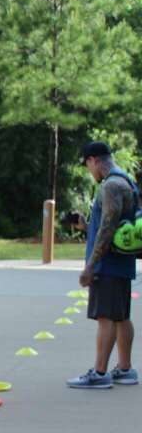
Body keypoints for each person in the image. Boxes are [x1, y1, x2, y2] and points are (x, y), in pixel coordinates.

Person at [68, 141, 138, 388]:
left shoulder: (110, 186)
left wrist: (90, 266)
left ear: (94, 160)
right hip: (122, 262)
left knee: (105, 317)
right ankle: (125, 369)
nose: (89, 171)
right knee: (121, 317)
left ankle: (99, 374)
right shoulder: (127, 181)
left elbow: (108, 228)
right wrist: (86, 226)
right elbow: (114, 226)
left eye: (87, 165)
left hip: (107, 265)